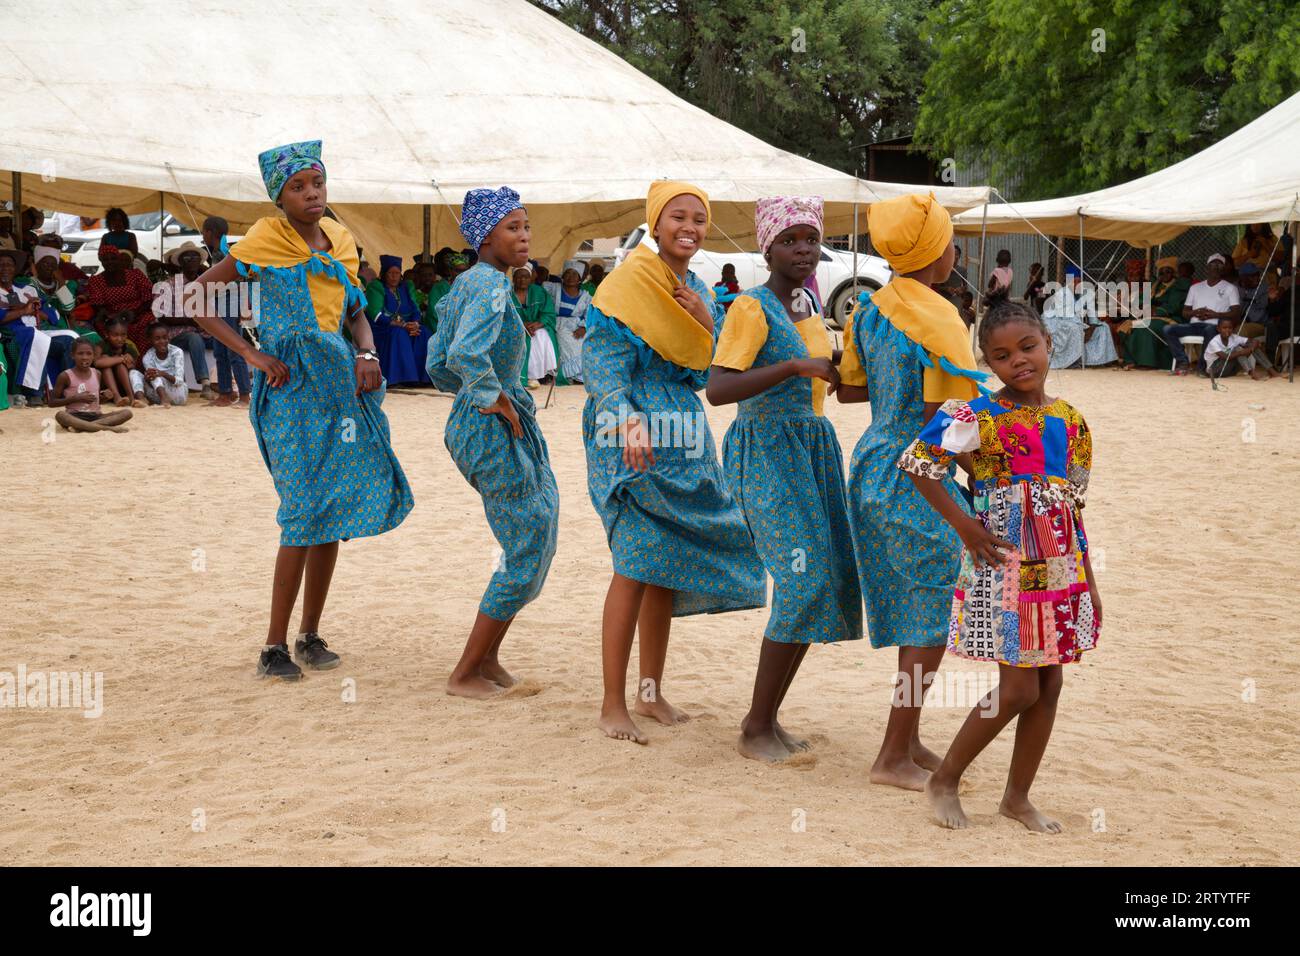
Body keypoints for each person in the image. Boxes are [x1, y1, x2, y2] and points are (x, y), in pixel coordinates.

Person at [189, 139, 413, 681]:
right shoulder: (263, 242)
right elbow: (194, 298)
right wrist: (249, 352)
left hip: (340, 389)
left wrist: (366, 352)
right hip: (288, 389)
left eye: (317, 183)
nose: (312, 194)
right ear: (279, 197)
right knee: (302, 511)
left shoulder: (339, 240)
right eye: (298, 187)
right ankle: (273, 647)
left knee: (330, 513)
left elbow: (356, 311)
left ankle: (310, 635)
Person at [902, 297, 1099, 832]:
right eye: (1001, 354)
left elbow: (1072, 509)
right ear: (988, 363)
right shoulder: (974, 415)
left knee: (1050, 684)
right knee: (1018, 688)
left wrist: (1089, 581)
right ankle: (946, 777)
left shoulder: (1071, 422)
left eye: (1028, 347)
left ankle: (1017, 797)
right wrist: (965, 524)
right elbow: (920, 466)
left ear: (1048, 343)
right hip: (1004, 562)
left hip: (1059, 568)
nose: (1019, 361)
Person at [582, 180, 765, 745]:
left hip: (683, 435)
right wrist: (625, 419)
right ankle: (614, 704)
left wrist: (706, 320)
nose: (689, 226)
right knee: (634, 563)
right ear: (656, 224)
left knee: (660, 566)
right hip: (632, 431)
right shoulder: (629, 283)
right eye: (677, 216)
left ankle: (650, 692)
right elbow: (602, 362)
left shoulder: (693, 288)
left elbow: (706, 371)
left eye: (698, 219)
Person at [836, 192, 993, 791]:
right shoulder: (938, 317)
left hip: (873, 460)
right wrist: (982, 471)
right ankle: (892, 756)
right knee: (928, 618)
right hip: (918, 470)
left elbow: (852, 390)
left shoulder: (871, 309)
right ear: (938, 250)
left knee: (917, 608)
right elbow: (943, 416)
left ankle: (910, 737)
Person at [707, 195, 863, 762]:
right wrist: (795, 366)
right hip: (766, 450)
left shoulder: (805, 303)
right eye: (790, 239)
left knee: (818, 580)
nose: (804, 249)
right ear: (766, 246)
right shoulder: (751, 307)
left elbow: (829, 386)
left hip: (814, 448)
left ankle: (767, 720)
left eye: (811, 239)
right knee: (800, 582)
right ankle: (754, 727)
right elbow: (719, 388)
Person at [426, 186, 559, 699]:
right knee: (528, 539)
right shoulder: (487, 286)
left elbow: (438, 361)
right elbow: (463, 352)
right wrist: (491, 397)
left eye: (526, 227)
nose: (524, 237)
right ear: (484, 236)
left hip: (480, 419)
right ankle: (464, 673)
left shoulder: (468, 284)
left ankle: (488, 658)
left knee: (535, 528)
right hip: (488, 424)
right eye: (512, 228)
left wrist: (475, 394)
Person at [153, 241, 217, 400]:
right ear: (180, 262)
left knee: (225, 339)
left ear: (200, 261)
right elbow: (162, 316)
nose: (191, 259)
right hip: (178, 333)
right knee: (194, 338)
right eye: (186, 257)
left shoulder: (206, 283)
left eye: (195, 256)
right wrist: (190, 321)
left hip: (204, 331)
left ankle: (225, 381)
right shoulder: (168, 285)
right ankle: (205, 383)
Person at [1165, 253, 1241, 375]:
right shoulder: (1195, 287)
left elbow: (1236, 313)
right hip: (1195, 325)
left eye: (1219, 265)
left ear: (1223, 269)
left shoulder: (1230, 288)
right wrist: (1196, 312)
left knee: (1209, 330)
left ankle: (1202, 367)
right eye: (1213, 264)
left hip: (1215, 326)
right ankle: (1183, 363)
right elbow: (1185, 313)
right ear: (1207, 267)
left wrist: (1215, 314)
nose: (1215, 267)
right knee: (1168, 329)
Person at [365, 254, 431, 386]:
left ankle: (423, 378)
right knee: (398, 334)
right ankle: (403, 378)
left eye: (397, 272)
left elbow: (415, 309)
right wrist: (402, 325)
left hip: (405, 326)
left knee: (424, 333)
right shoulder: (376, 286)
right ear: (384, 274)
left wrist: (415, 323)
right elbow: (375, 314)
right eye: (391, 273)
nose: (394, 276)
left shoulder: (406, 287)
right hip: (382, 328)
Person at [48, 338, 132, 433]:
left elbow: (97, 401)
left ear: (94, 356)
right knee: (60, 415)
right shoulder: (65, 376)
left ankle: (82, 427)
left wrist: (105, 397)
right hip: (75, 416)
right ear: (72, 355)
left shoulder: (97, 373)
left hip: (96, 416)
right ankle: (108, 428)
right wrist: (75, 399)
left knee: (127, 413)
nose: (85, 357)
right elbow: (52, 402)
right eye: (80, 353)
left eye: (89, 354)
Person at [1042, 266, 1118, 368]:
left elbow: (1092, 314)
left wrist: (1093, 325)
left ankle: (1101, 360)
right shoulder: (1061, 294)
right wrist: (1084, 327)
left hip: (1076, 321)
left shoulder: (1088, 293)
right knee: (1075, 328)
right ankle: (1074, 361)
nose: (1077, 284)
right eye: (1074, 281)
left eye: (1079, 281)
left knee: (1104, 327)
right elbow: (1066, 315)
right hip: (1056, 321)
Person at [84, 244, 156, 353]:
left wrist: (134, 314)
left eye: (113, 258)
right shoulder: (96, 280)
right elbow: (98, 306)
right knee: (113, 331)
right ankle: (120, 363)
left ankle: (145, 364)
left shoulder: (135, 274)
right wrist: (117, 319)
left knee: (146, 328)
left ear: (119, 259)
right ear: (101, 261)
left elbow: (148, 298)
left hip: (139, 315)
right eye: (105, 259)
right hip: (112, 318)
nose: (110, 262)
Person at [1124, 256, 1185, 369]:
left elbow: (1173, 307)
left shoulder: (1177, 287)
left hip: (1170, 319)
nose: (1164, 275)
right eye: (1161, 273)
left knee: (1148, 327)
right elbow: (1143, 298)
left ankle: (1148, 362)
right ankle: (1132, 360)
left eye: (1168, 272)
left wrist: (1154, 311)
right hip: (1152, 316)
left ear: (1174, 273)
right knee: (1127, 325)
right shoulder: (1156, 285)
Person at [512, 265, 560, 387]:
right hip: (514, 328)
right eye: (519, 277)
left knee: (541, 335)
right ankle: (526, 376)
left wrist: (537, 324)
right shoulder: (507, 293)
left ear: (531, 278)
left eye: (526, 277)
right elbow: (503, 316)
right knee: (522, 337)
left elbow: (548, 313)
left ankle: (538, 375)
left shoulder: (539, 291)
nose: (522, 280)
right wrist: (521, 325)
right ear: (513, 278)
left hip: (537, 327)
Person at [1204, 316, 1278, 380]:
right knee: (1238, 349)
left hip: (1229, 370)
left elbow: (1254, 341)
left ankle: (1272, 372)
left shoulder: (1234, 337)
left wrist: (1252, 347)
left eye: (1230, 328)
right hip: (1215, 371)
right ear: (1218, 329)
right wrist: (1242, 352)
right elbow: (1225, 357)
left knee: (1250, 346)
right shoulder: (1214, 341)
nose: (1227, 330)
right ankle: (1252, 373)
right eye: (1224, 328)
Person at [95, 316, 146, 406]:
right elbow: (97, 363)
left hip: (123, 385)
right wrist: (121, 359)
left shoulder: (129, 348)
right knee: (105, 360)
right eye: (115, 335)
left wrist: (130, 364)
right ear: (107, 334)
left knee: (120, 365)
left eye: (123, 335)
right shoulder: (101, 345)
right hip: (106, 387)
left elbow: (134, 369)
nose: (120, 339)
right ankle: (117, 398)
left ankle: (131, 397)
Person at [552, 267, 589, 384]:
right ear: (562, 277)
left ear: (580, 278)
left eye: (574, 274)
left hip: (579, 326)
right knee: (567, 341)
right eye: (567, 273)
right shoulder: (553, 289)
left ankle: (580, 376)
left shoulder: (586, 297)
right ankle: (569, 375)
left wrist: (584, 327)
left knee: (586, 344)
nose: (570, 277)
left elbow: (590, 314)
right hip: (559, 324)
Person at [141, 322, 189, 405]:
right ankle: (141, 399)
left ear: (169, 338)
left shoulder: (177, 352)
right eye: (157, 339)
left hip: (179, 394)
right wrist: (147, 379)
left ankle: (164, 399)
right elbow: (151, 379)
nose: (162, 341)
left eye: (165, 338)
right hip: (157, 396)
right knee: (135, 373)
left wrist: (162, 374)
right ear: (150, 340)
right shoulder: (147, 357)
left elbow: (179, 381)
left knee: (154, 374)